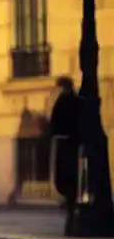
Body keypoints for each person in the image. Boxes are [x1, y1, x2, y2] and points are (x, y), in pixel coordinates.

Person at [49, 76, 81, 209]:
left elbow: (55, 120)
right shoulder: (71, 100)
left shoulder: (67, 101)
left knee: (66, 171)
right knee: (65, 172)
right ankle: (69, 197)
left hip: (66, 141)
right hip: (67, 140)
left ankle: (70, 197)